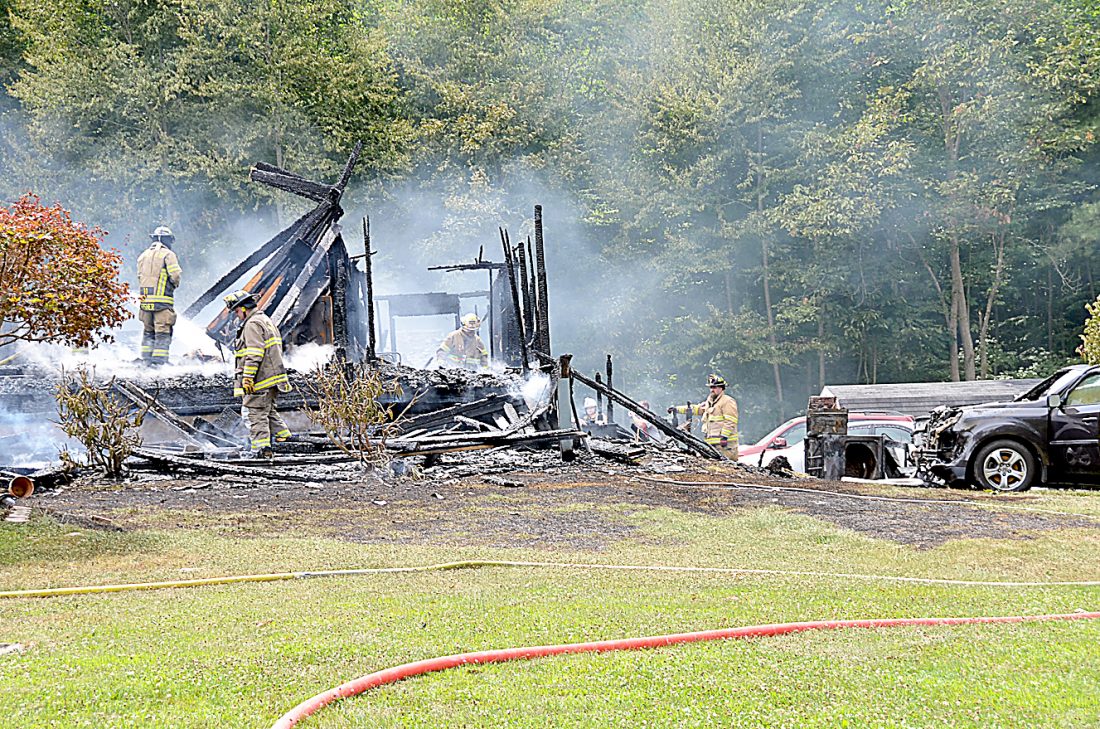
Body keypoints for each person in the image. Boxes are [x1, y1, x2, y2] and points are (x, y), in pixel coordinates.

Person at [224, 289, 292, 457]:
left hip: (260, 380)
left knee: (253, 413)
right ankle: (284, 438)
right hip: (271, 378)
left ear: (244, 308)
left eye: (237, 311)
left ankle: (261, 450)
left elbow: (254, 353)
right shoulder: (264, 320)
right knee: (267, 411)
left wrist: (247, 378)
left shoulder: (252, 324)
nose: (237, 315)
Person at [136, 226, 182, 365]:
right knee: (162, 332)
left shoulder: (143, 255)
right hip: (162, 303)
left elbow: (139, 276)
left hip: (145, 303)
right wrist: (173, 285)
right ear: (168, 240)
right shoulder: (168, 255)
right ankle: (159, 363)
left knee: (148, 331)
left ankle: (146, 360)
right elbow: (175, 275)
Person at [669, 374, 739, 459]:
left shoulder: (727, 401)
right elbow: (697, 409)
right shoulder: (710, 402)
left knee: (728, 469)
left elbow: (730, 421)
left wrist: (724, 437)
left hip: (726, 445)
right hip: (712, 444)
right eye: (711, 387)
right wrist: (677, 409)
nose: (712, 390)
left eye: (715, 387)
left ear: (721, 388)